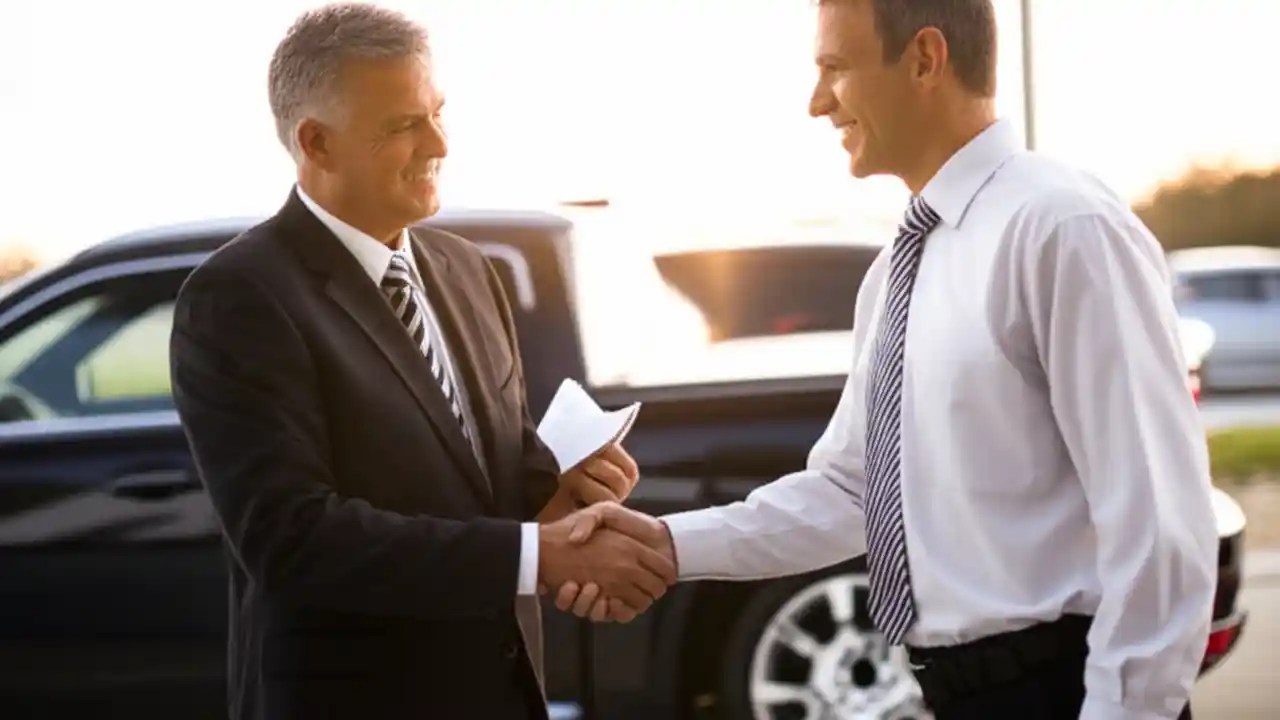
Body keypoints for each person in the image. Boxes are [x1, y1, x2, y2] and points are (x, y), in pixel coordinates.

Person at [556, 1, 1216, 718]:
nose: (817, 104)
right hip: (955, 693)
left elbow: (1159, 527)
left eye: (835, 69)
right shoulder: (901, 265)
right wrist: (666, 543)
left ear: (925, 59)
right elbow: (849, 494)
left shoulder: (1063, 228)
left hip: (1061, 690)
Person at [169, 4, 674, 719]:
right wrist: (541, 554)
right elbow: (293, 537)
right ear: (316, 142)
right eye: (404, 124)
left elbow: (482, 473)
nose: (438, 141)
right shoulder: (238, 298)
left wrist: (561, 492)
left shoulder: (467, 269)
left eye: (437, 113)